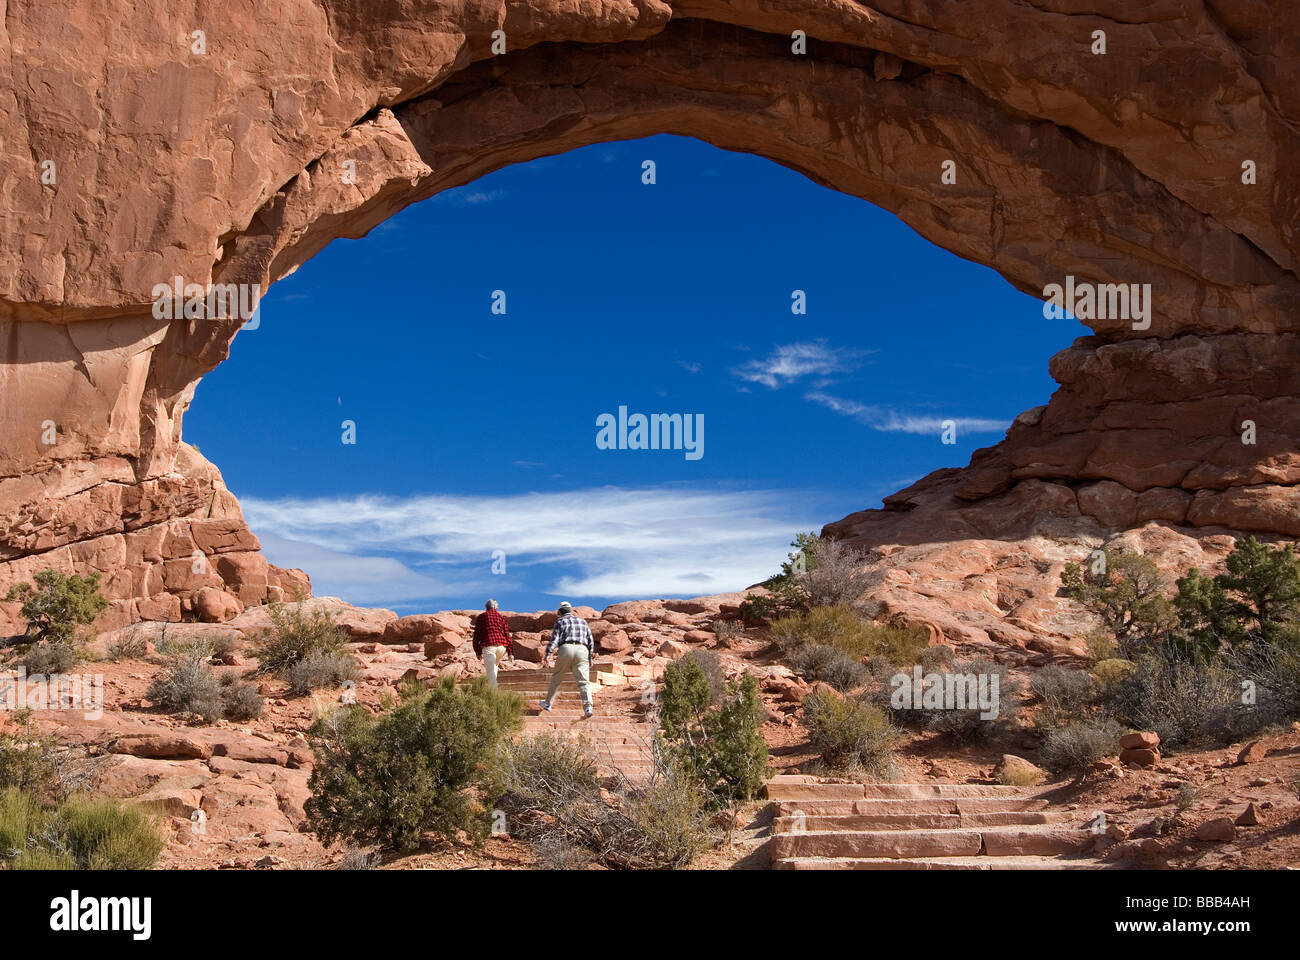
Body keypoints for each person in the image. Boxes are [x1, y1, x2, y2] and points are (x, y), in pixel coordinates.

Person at [539, 601, 594, 719]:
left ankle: (548, 703)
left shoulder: (560, 621)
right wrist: (590, 657)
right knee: (584, 682)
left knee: (556, 679)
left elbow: (554, 640)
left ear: (559, 612)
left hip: (566, 649)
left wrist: (548, 654)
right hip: (582, 649)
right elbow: (590, 640)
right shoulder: (583, 622)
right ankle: (588, 707)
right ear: (571, 610)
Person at [472, 599, 513, 689]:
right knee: (494, 668)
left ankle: (494, 694)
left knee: (490, 671)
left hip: (489, 646)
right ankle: (491, 689)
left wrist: (477, 651)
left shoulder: (482, 617)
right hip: (502, 647)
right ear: (496, 607)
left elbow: (476, 636)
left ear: (486, 607)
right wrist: (510, 652)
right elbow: (507, 634)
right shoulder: (501, 617)